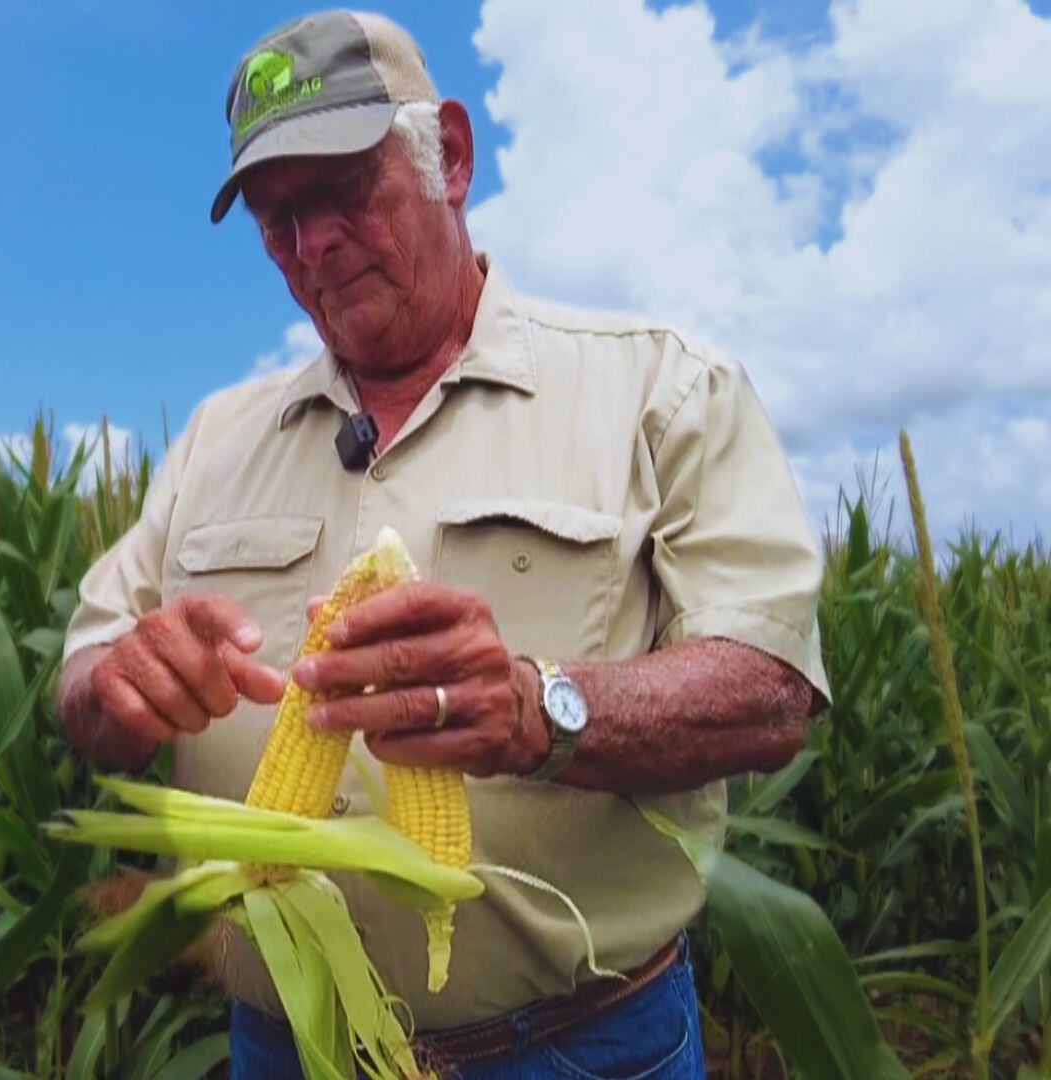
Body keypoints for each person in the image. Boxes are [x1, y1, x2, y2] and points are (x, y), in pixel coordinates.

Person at [56, 10, 826, 1077]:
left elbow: (770, 689)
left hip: (577, 1050)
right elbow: (86, 681)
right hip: (285, 1046)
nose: (313, 245)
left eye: (344, 189)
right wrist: (119, 688)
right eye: (280, 221)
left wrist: (539, 708)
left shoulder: (662, 389)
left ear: (450, 158)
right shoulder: (213, 442)